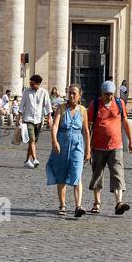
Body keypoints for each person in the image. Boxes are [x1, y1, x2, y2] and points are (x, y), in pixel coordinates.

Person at [87, 80, 132, 215]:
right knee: (97, 174)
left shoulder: (119, 104)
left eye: (111, 94)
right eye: (106, 94)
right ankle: (97, 203)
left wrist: (131, 141)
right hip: (97, 146)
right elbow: (87, 125)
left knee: (117, 173)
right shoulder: (95, 104)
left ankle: (119, 202)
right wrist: (87, 146)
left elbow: (125, 122)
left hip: (116, 145)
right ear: (101, 93)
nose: (109, 96)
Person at [47, 84, 88, 218]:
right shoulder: (61, 108)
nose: (71, 95)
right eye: (69, 93)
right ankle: (62, 205)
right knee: (61, 175)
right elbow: (55, 126)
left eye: (74, 93)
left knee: (77, 174)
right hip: (62, 144)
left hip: (77, 145)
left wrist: (88, 150)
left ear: (79, 95)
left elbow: (86, 131)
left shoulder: (83, 111)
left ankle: (78, 206)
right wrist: (55, 141)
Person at [18, 74, 53, 169]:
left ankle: (27, 161)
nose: (30, 85)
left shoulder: (44, 92)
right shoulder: (26, 92)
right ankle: (35, 159)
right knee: (32, 140)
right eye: (30, 83)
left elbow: (47, 105)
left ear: (38, 84)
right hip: (28, 119)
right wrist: (20, 116)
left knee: (33, 142)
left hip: (39, 120)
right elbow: (22, 105)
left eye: (32, 84)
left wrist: (49, 117)